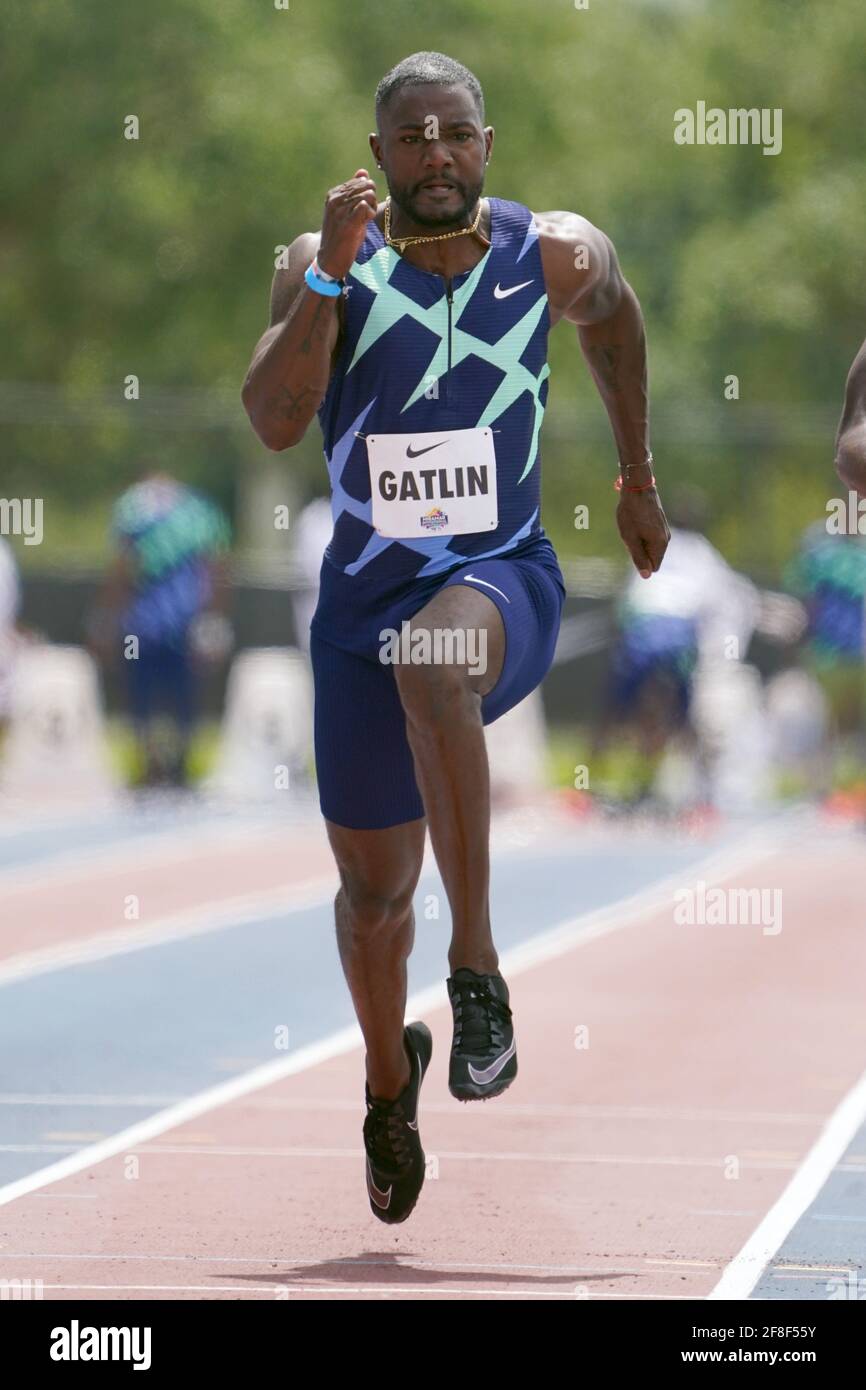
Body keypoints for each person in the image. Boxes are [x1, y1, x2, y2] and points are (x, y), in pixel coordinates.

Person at [242, 52, 669, 1223]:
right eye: (412, 137)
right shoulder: (322, 263)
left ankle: (475, 971)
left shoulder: (552, 251)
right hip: (358, 610)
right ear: (376, 156)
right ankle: (390, 1080)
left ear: (488, 143)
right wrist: (329, 279)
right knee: (372, 900)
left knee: (438, 663)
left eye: (456, 133)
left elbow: (614, 321)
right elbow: (277, 421)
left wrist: (635, 476)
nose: (436, 154)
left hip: (497, 583)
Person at [92, 470, 231, 787]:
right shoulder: (199, 509)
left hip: (145, 625)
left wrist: (106, 617)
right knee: (183, 697)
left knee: (143, 695)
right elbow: (218, 570)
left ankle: (151, 766)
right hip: (183, 622)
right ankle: (176, 767)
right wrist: (215, 618)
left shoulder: (134, 509)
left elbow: (121, 568)